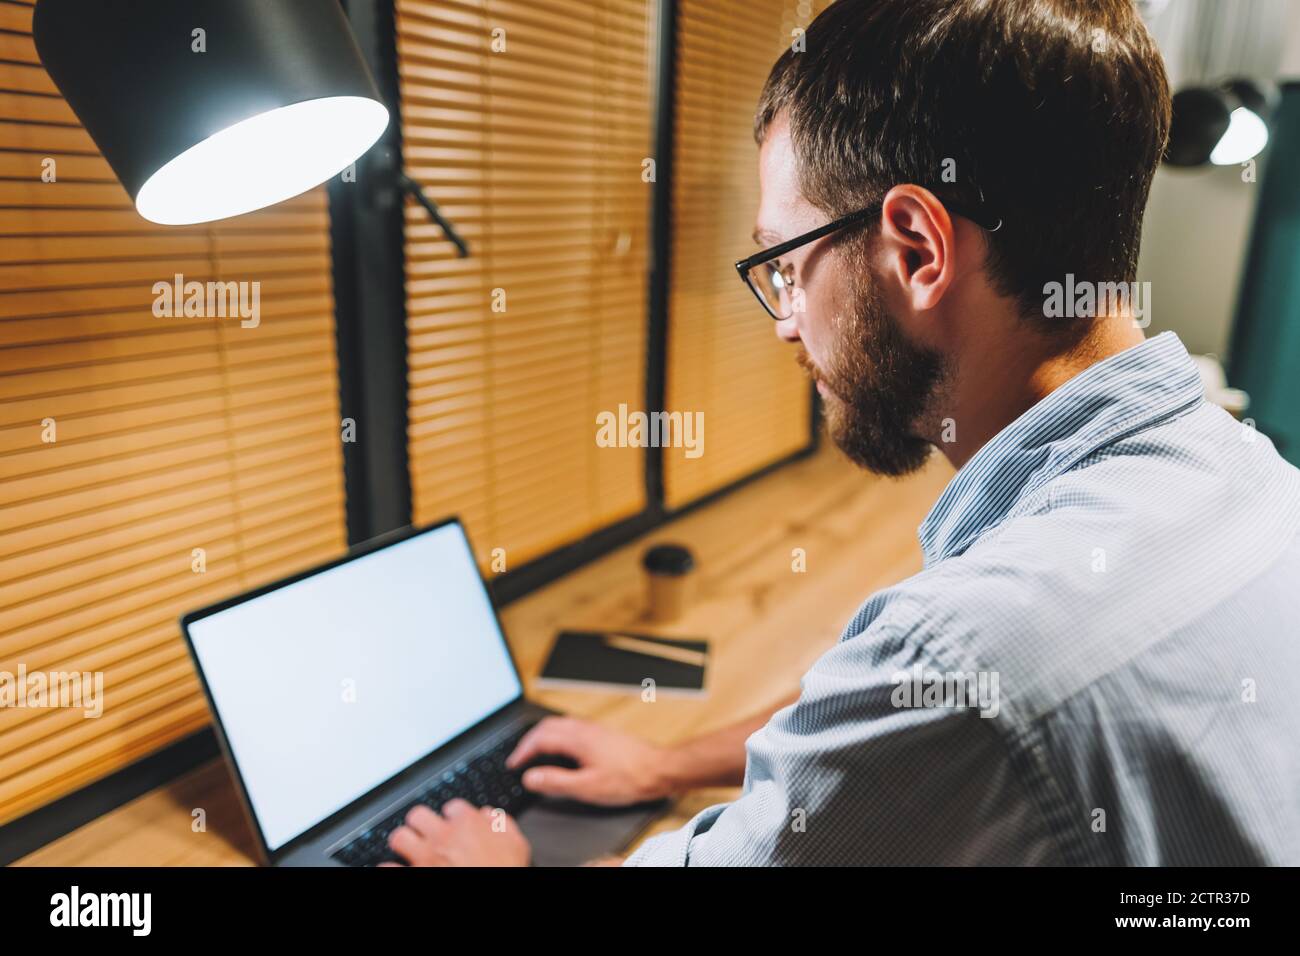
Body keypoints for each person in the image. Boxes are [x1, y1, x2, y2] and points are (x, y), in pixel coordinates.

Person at [385, 0, 1300, 866]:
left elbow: (942, 691)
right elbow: (903, 723)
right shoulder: (1253, 476)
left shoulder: (969, 650)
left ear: (917, 249)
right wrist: (667, 764)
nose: (785, 321)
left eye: (786, 264)